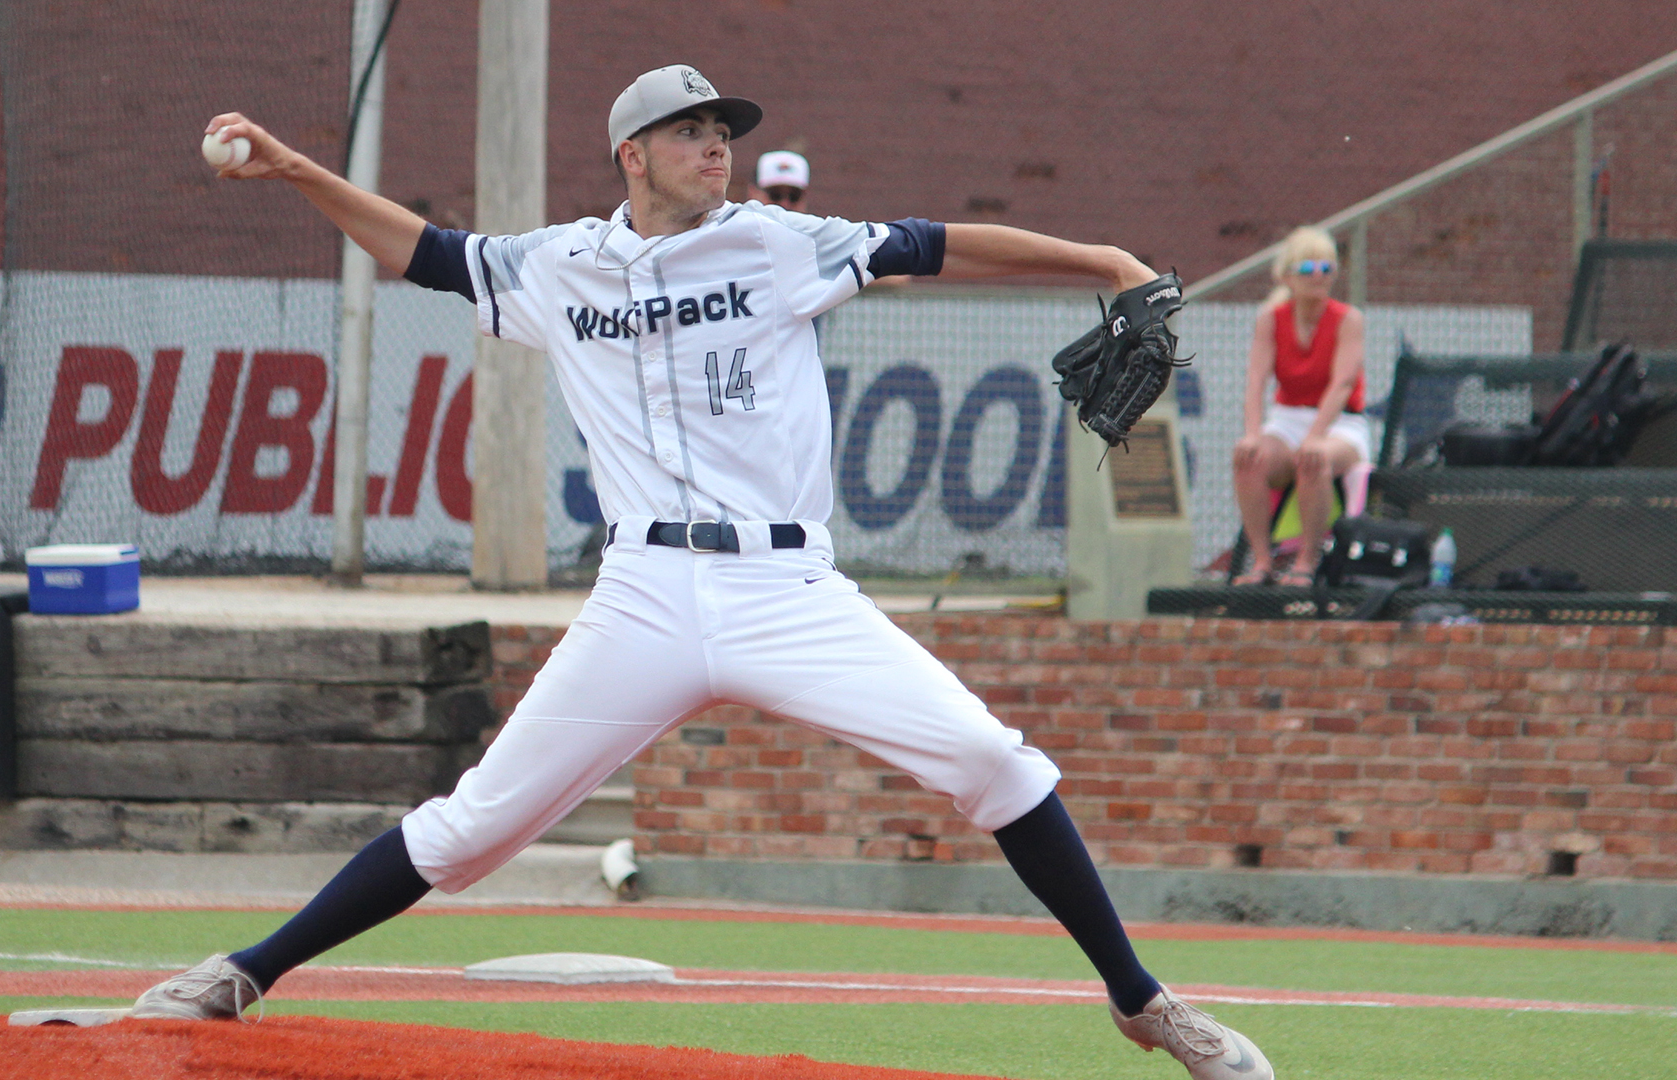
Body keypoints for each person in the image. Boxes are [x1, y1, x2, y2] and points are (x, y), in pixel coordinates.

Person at [135, 65, 1274, 1080]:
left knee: (990, 757)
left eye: (722, 130)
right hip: (644, 594)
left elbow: (939, 242)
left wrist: (1105, 258)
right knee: (471, 833)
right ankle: (246, 970)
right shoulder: (561, 266)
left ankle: (1143, 1003)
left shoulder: (780, 242)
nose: (715, 146)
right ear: (633, 154)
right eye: (689, 132)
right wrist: (293, 169)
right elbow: (424, 254)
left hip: (789, 591)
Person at [1231, 225, 1368, 586]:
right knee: (1248, 459)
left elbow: (1343, 385)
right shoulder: (1271, 319)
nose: (1319, 277)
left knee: (1314, 458)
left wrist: (1316, 435)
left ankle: (1306, 562)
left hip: (1341, 424)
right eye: (1308, 269)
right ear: (1287, 276)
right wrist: (1252, 434)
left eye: (1328, 268)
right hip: (1287, 418)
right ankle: (1262, 562)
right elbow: (1256, 380)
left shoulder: (1347, 319)